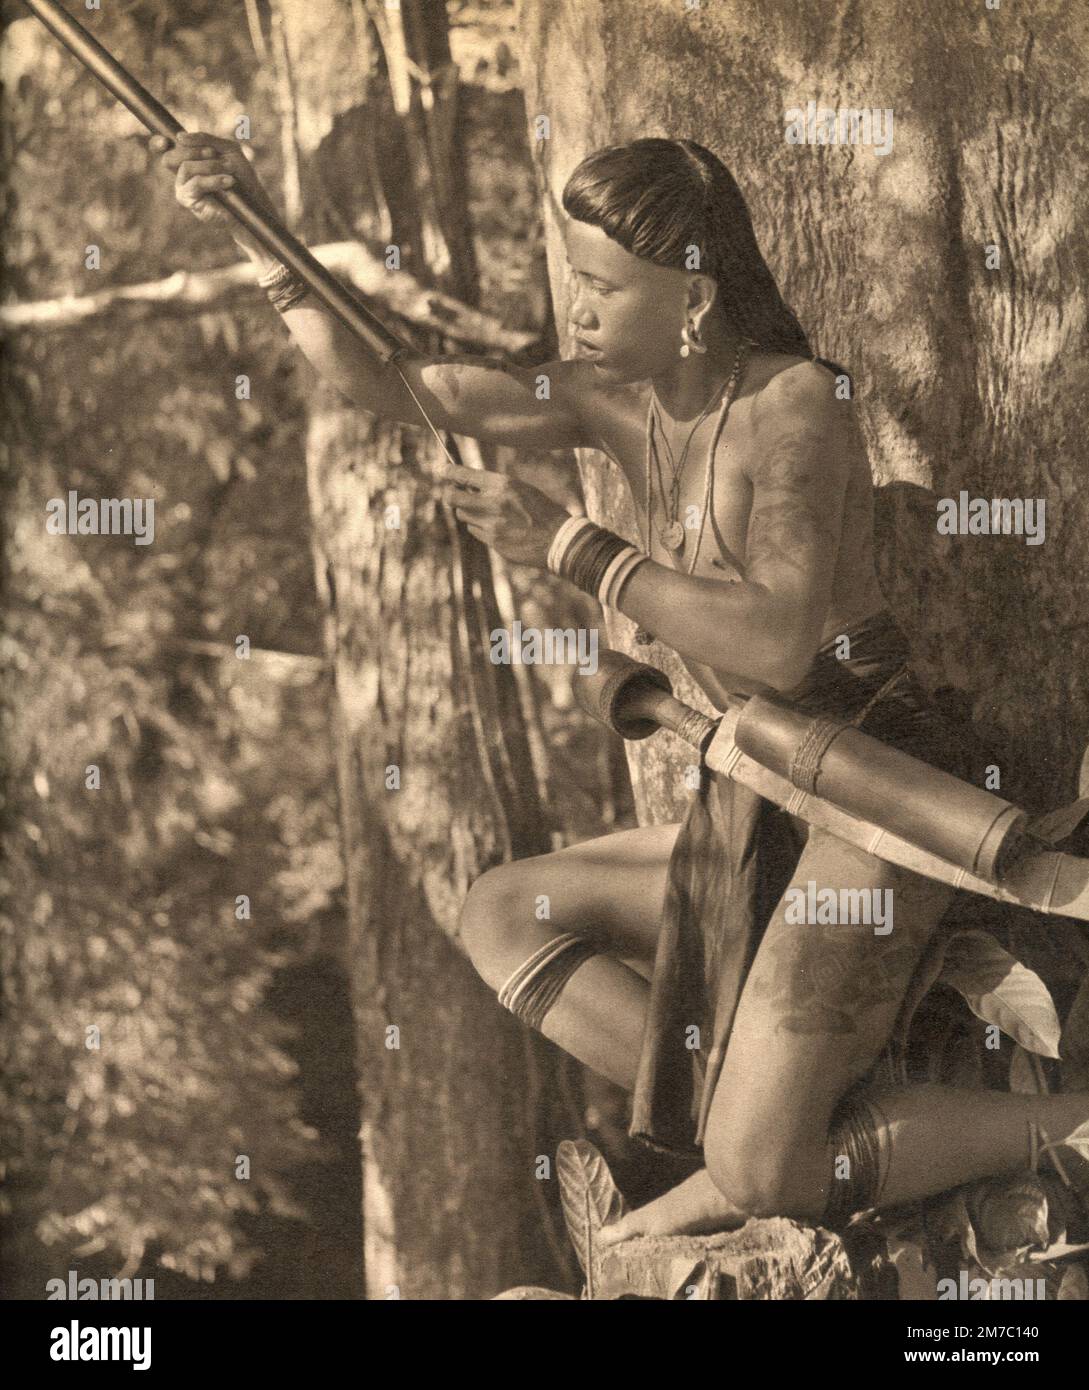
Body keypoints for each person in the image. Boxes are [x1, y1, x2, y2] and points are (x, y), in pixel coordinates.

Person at [155, 131, 1087, 1242]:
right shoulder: (609, 396)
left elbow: (783, 640)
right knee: (505, 910)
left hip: (871, 798)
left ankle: (1031, 1128)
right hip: (759, 800)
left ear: (692, 296)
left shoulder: (798, 405)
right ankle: (751, 1137)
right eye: (573, 278)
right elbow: (408, 384)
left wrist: (572, 550)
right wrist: (261, 233)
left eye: (600, 284)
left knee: (761, 1163)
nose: (578, 309)